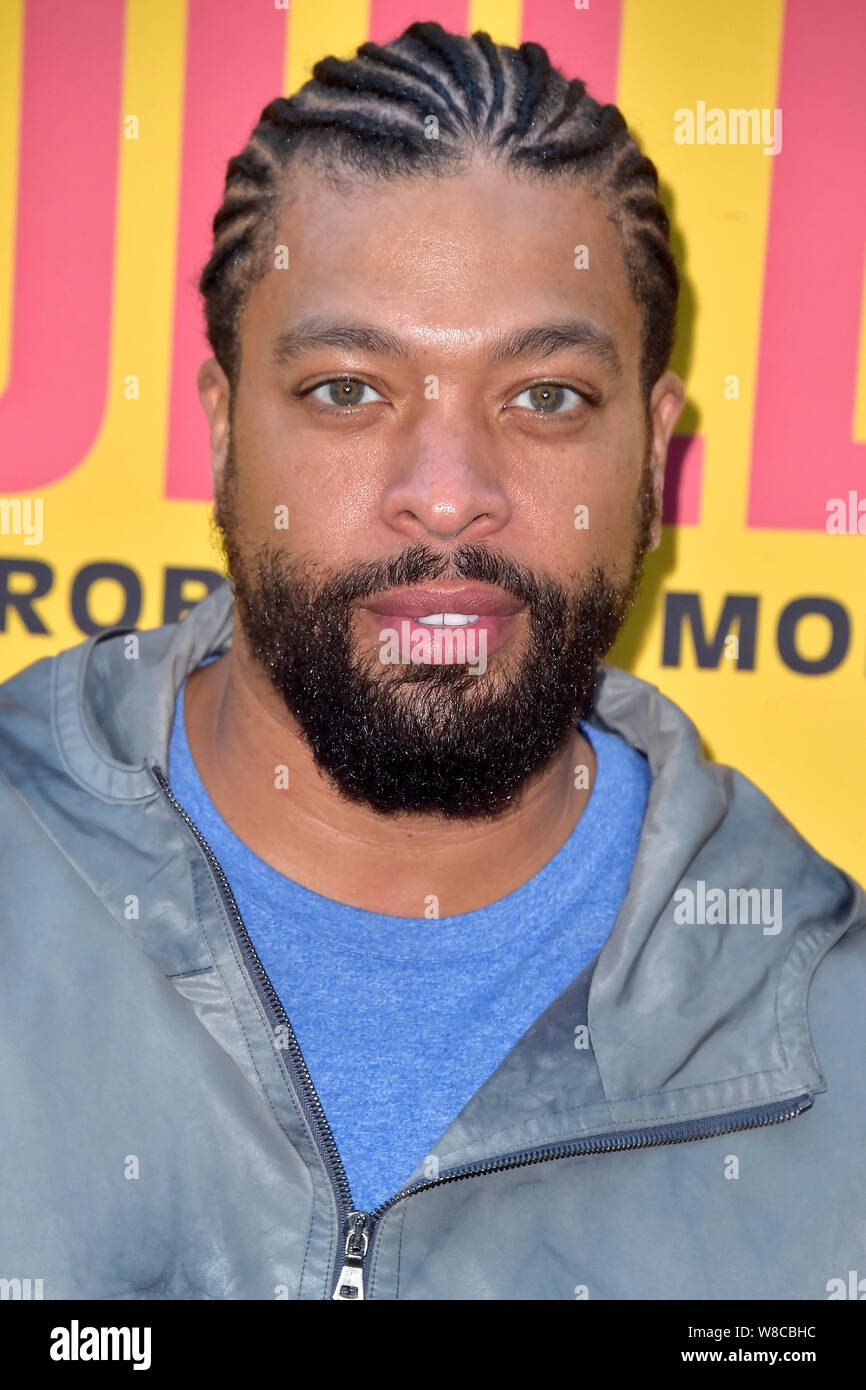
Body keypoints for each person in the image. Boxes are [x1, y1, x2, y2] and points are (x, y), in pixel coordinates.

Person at [0, 21, 862, 1302]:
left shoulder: (828, 1040)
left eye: (546, 397)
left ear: (654, 450)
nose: (447, 498)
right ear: (225, 429)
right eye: (350, 390)